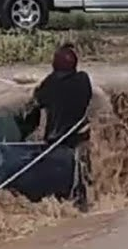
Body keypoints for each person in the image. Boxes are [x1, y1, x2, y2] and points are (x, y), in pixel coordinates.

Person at [15, 43, 95, 210]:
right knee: (83, 180)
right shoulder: (83, 79)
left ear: (54, 65)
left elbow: (34, 104)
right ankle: (85, 202)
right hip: (77, 140)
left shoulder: (49, 84)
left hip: (55, 142)